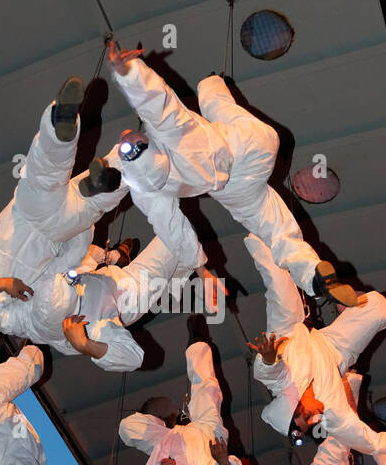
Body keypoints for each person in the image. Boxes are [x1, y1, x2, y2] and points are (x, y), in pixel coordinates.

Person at [95, 43, 359, 307]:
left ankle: (313, 276)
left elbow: (174, 230)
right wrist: (127, 71)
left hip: (232, 186)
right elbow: (154, 100)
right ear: (147, 147)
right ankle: (210, 82)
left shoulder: (148, 192)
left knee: (274, 227)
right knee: (216, 104)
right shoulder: (167, 132)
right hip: (247, 148)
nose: (126, 136)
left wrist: (200, 269)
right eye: (133, 144)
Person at [0, 77, 126, 297]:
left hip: (57, 230)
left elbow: (69, 262)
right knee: (45, 171)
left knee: (91, 205)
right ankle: (60, 128)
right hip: (31, 211)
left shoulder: (24, 290)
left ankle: (121, 165)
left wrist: (84, 229)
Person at [244, 233, 386, 461]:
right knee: (383, 309)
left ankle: (259, 230)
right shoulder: (333, 412)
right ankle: (348, 307)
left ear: (296, 406)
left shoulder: (285, 385)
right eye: (312, 423)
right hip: (336, 350)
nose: (315, 419)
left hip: (289, 335)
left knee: (278, 282)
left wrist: (268, 358)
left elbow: (267, 374)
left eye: (307, 418)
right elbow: (364, 439)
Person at [0, 237, 195, 373]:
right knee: (175, 242)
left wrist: (1, 284)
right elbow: (133, 359)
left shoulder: (17, 303)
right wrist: (86, 345)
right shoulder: (87, 328)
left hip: (98, 273)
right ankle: (185, 265)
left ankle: (116, 255)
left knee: (77, 247)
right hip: (125, 292)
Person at [84, 332, 244, 465]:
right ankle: (197, 342)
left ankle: (162, 423)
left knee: (127, 428)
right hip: (206, 431)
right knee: (207, 390)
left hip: (168, 437)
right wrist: (223, 463)